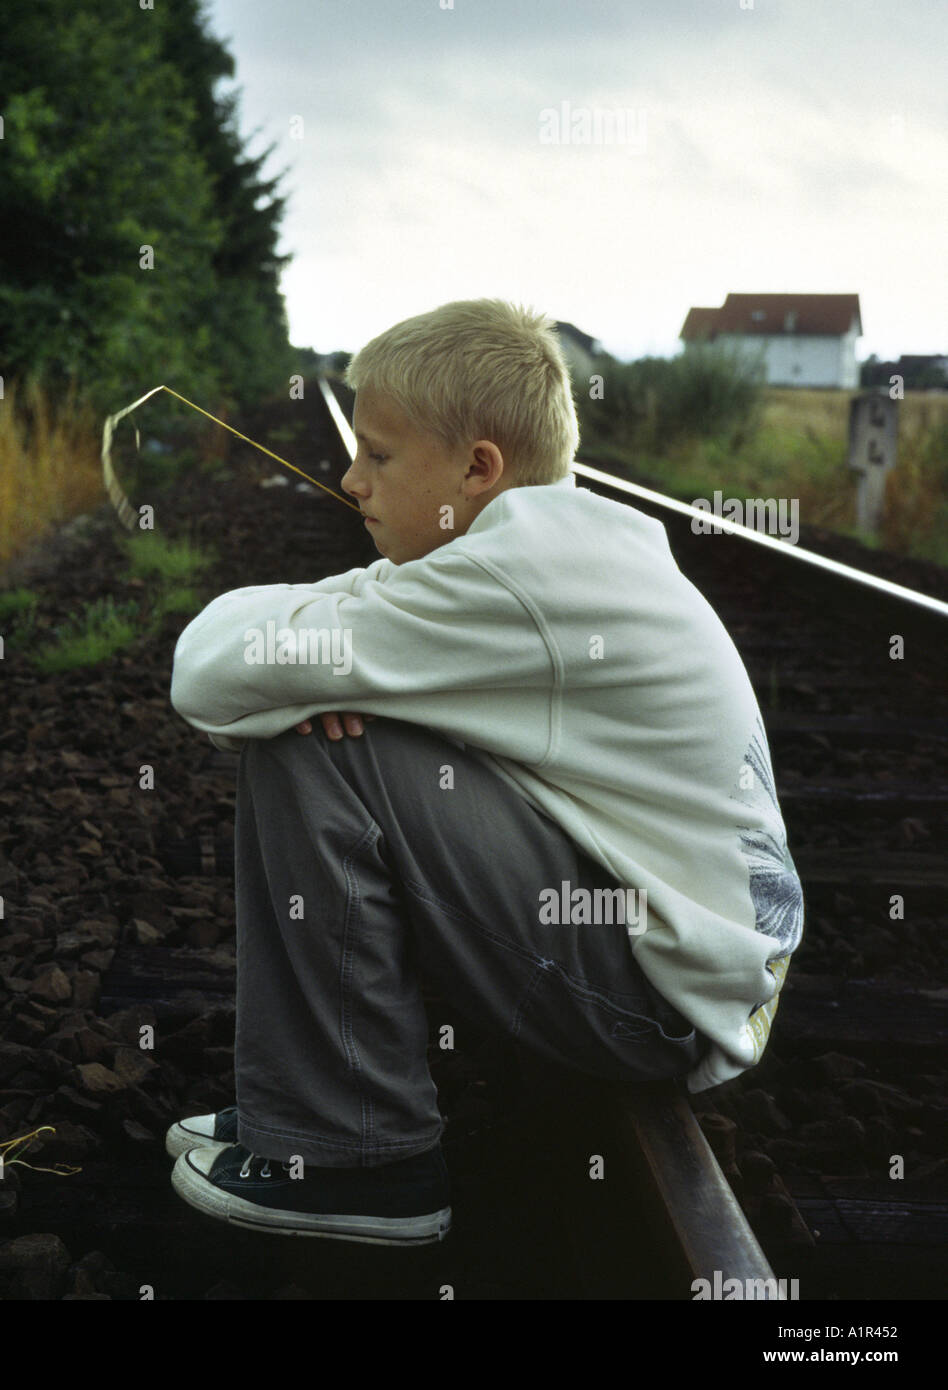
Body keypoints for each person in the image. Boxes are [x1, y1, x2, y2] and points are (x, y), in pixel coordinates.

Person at [165, 298, 804, 1246]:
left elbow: (207, 669)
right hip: (693, 972)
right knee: (340, 717)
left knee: (313, 748)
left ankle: (358, 1157)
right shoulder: (557, 542)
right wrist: (328, 660)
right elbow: (286, 639)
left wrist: (314, 677)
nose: (350, 479)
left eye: (379, 456)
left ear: (477, 467)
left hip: (659, 1003)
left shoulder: (512, 577)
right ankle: (306, 1113)